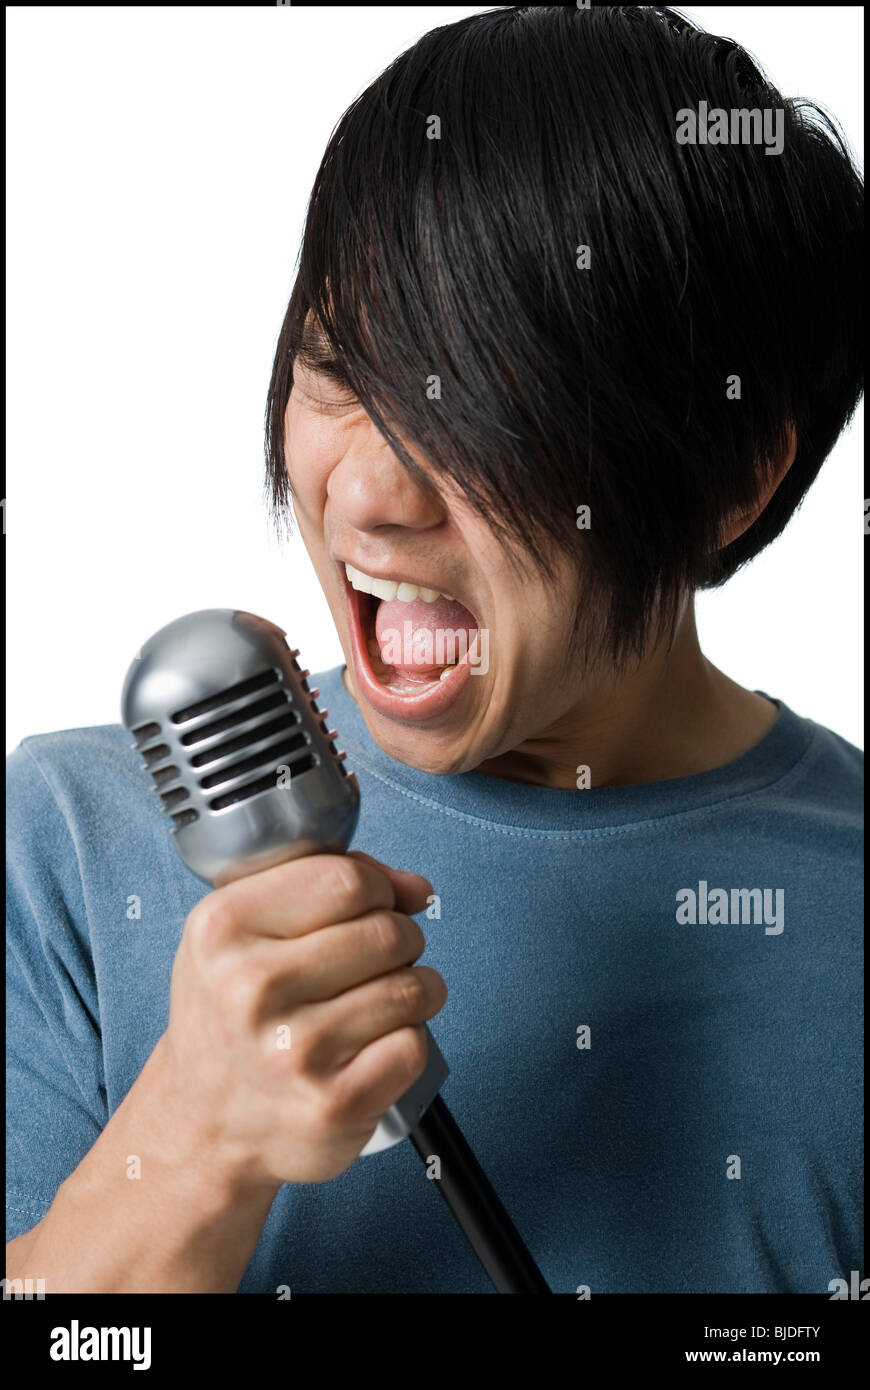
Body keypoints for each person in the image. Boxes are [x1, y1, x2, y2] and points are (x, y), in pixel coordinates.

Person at [6, 5, 862, 1293]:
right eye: (342, 369)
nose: (371, 495)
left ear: (731, 478)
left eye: (495, 399)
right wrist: (188, 1153)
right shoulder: (68, 851)